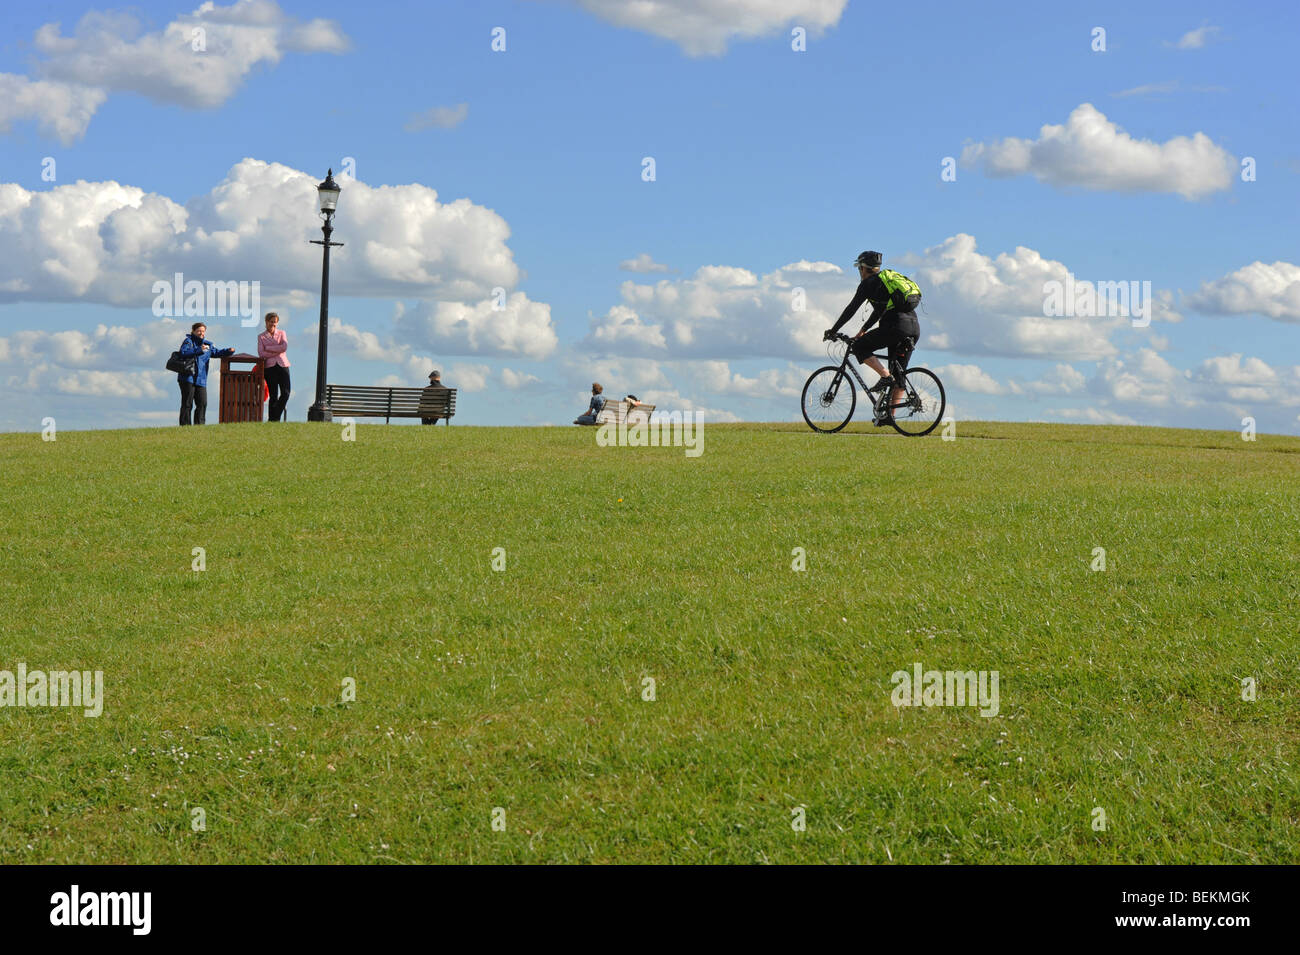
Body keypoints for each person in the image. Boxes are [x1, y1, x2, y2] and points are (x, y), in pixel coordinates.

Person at [824, 250, 922, 424]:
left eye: (859, 268)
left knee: (859, 347)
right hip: (913, 328)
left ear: (863, 268)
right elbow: (879, 311)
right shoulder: (886, 284)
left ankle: (884, 376)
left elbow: (851, 309)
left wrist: (833, 330)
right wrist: (863, 330)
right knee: (898, 372)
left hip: (895, 327)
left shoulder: (868, 284)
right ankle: (890, 417)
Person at [177, 322, 235, 426]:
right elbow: (183, 353)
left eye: (203, 331)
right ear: (193, 331)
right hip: (187, 378)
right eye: (199, 331)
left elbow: (216, 352)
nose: (201, 333)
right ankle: (185, 426)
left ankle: (199, 426)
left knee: (202, 403)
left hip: (201, 379)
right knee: (187, 404)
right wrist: (199, 350)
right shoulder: (188, 341)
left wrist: (229, 351)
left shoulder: (208, 345)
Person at [257, 312, 290, 422]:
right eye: (271, 322)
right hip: (270, 368)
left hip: (282, 365)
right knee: (273, 395)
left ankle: (275, 416)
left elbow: (284, 347)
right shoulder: (261, 337)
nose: (273, 324)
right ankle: (273, 420)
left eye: (275, 322)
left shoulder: (282, 333)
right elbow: (261, 353)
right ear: (266, 322)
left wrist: (269, 348)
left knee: (286, 392)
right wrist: (277, 349)